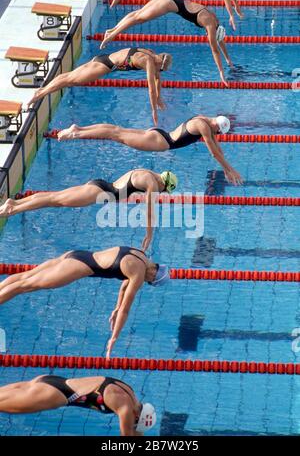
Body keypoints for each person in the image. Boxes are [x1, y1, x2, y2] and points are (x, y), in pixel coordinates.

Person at [0, 246, 170, 357]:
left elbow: (125, 286)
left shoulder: (140, 255)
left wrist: (116, 308)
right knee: (25, 286)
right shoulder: (139, 274)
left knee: (25, 277)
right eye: (150, 281)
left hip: (76, 254)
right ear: (154, 272)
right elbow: (127, 309)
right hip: (77, 268)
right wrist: (114, 338)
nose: (147, 281)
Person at [0, 169, 178, 252]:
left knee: (54, 198)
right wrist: (149, 235)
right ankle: (13, 209)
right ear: (164, 185)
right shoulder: (152, 184)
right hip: (99, 192)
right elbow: (148, 211)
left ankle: (15, 204)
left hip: (99, 185)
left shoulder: (146, 172)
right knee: (54, 200)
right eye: (164, 191)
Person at [56, 115, 242, 185]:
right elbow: (213, 152)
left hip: (159, 135)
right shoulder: (203, 127)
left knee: (116, 130)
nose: (217, 134)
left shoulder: (204, 120)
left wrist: (227, 165)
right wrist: (228, 169)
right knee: (115, 134)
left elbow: (218, 148)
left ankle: (79, 129)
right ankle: (76, 133)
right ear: (217, 127)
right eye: (219, 132)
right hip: (160, 142)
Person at [100, 0, 233, 85]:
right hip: (169, 4)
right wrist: (221, 72)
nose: (208, 36)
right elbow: (215, 49)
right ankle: (111, 36)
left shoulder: (214, 20)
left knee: (137, 14)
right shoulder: (210, 25)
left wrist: (228, 60)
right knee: (138, 19)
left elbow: (220, 41)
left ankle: (112, 29)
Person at [25, 48, 172, 125]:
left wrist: (159, 98)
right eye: (161, 69)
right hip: (104, 66)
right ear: (159, 64)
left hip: (104, 58)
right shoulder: (148, 62)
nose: (159, 72)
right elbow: (151, 86)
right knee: (72, 80)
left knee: (69, 77)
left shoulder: (151, 54)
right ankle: (41, 93)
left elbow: (157, 79)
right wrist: (153, 110)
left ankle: (42, 90)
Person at [0, 374, 156, 436]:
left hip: (51, 381)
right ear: (136, 417)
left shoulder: (129, 393)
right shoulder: (126, 408)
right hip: (54, 395)